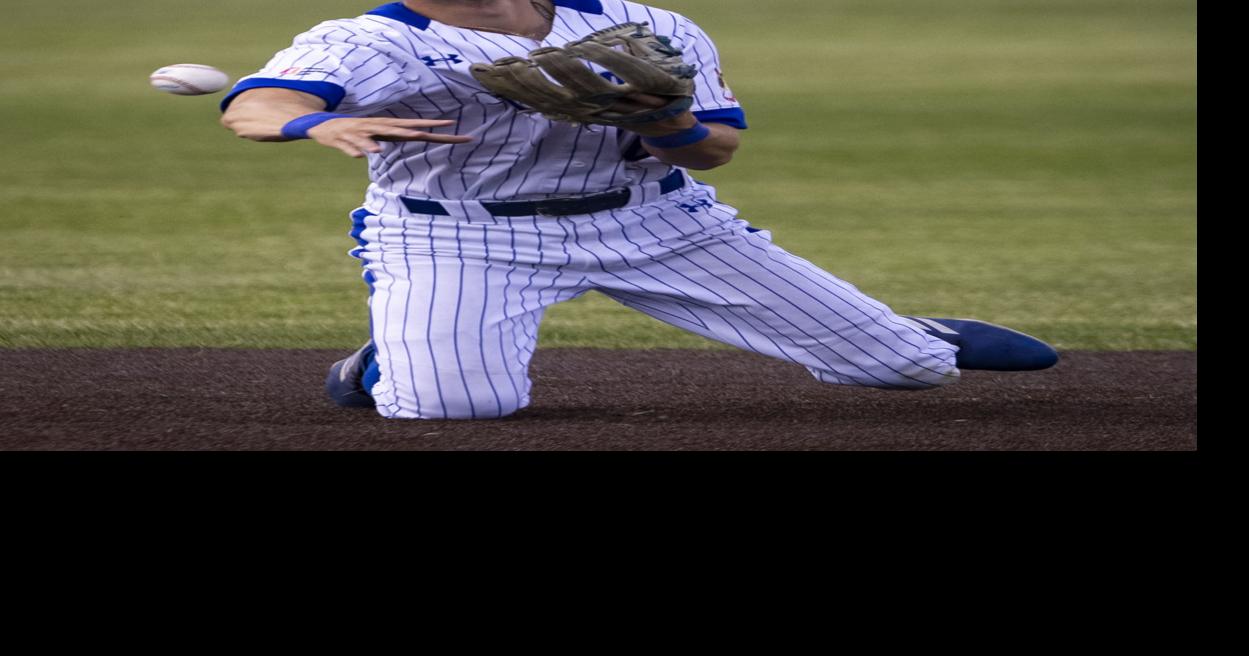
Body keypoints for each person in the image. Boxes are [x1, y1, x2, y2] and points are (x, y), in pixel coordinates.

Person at [220, 0, 1057, 420]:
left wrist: (664, 123)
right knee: (451, 408)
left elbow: (714, 151)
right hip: (461, 237)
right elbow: (252, 106)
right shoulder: (368, 40)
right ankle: (382, 362)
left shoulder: (645, 24)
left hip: (658, 223)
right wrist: (315, 122)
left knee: (907, 370)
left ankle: (907, 332)